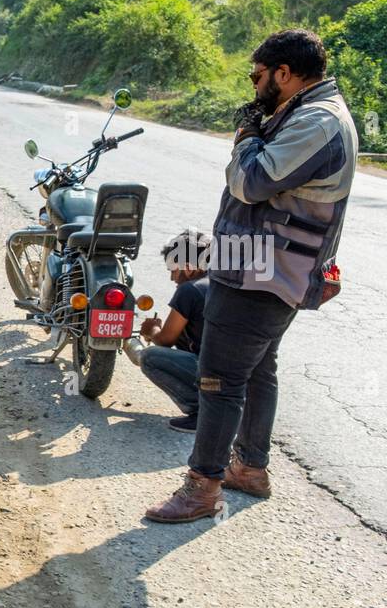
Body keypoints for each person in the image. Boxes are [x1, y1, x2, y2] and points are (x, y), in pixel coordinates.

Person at [146, 29, 357, 523]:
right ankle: (250, 469)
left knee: (219, 380)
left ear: (285, 74)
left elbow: (252, 182)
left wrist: (244, 140)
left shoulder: (317, 121)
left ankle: (202, 489)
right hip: (262, 266)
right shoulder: (302, 114)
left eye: (258, 75)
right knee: (258, 371)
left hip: (263, 273)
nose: (253, 84)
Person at [139, 229, 212, 433]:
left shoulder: (190, 289)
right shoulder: (221, 283)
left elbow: (165, 340)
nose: (172, 278)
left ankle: (203, 414)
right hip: (238, 377)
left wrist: (151, 329)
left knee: (150, 357)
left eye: (173, 270)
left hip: (212, 372)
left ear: (188, 267)